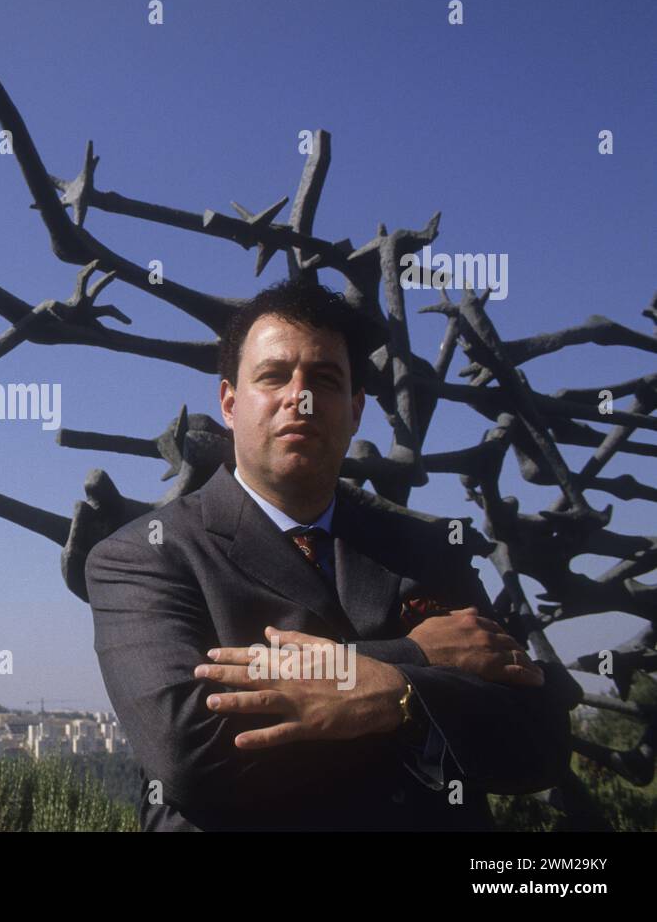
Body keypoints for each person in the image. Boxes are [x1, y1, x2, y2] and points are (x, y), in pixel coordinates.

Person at [84, 277, 576, 831]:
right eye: (273, 376)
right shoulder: (143, 556)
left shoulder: (429, 550)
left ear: (356, 409)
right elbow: (193, 752)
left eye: (325, 378)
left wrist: (397, 696)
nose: (302, 396)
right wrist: (414, 664)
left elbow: (540, 739)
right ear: (228, 402)